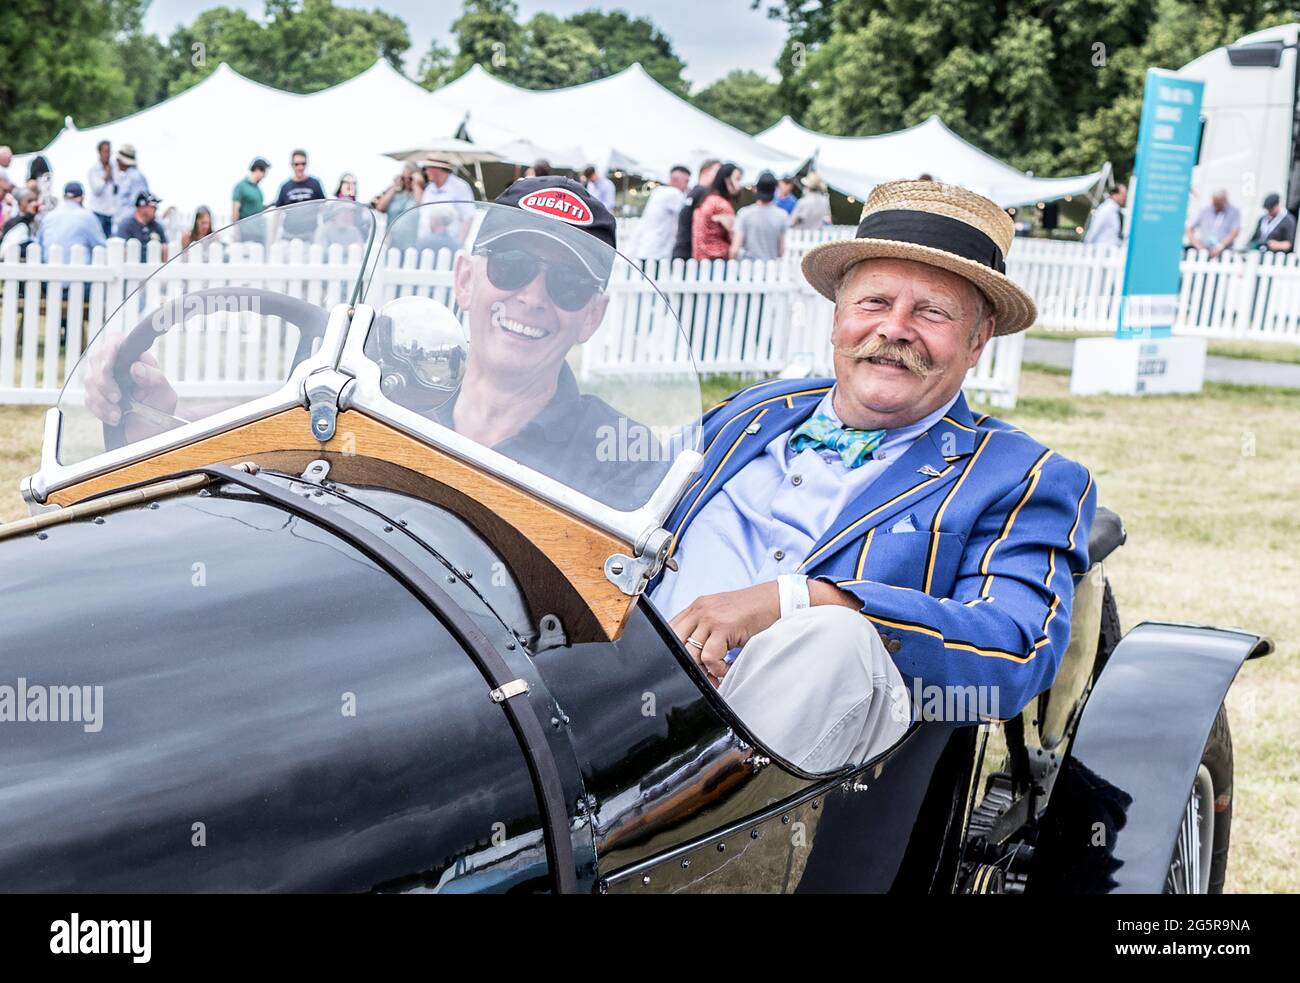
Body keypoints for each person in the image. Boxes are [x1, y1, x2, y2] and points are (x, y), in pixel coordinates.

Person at [650, 180, 1095, 773]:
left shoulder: (1019, 477)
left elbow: (1015, 648)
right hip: (612, 710)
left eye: (932, 312)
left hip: (791, 791)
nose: (895, 329)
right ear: (838, 318)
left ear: (977, 340)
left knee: (836, 638)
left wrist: (802, 601)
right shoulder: (751, 413)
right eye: (874, 303)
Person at [36, 182, 106, 260]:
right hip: (80, 270)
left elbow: (39, 246)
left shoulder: (48, 217)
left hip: (48, 269)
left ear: (64, 197)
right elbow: (101, 246)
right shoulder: (88, 217)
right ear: (82, 198)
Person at [633, 165, 690, 260]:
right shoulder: (674, 194)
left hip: (646, 247)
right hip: (658, 251)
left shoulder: (659, 191)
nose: (687, 185)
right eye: (686, 181)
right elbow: (686, 215)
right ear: (675, 179)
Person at [731, 170, 789, 261]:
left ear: (756, 189)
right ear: (775, 190)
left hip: (747, 268)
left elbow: (735, 249)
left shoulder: (744, 213)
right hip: (770, 268)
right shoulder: (782, 215)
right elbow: (781, 251)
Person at [692, 162, 742, 261]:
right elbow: (734, 235)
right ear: (726, 180)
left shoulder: (708, 199)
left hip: (700, 259)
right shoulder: (721, 205)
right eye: (737, 179)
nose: (739, 185)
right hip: (716, 260)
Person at [672, 159, 719, 262]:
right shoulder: (703, 194)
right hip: (691, 253)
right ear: (706, 171)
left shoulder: (693, 192)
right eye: (717, 172)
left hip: (681, 250)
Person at [274, 149, 327, 240]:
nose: (300, 167)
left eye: (303, 164)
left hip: (310, 235)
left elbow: (323, 208)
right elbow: (277, 213)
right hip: (288, 235)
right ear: (292, 165)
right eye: (297, 164)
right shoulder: (285, 186)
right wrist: (272, 239)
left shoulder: (315, 183)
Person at [371, 163, 422, 252]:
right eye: (403, 177)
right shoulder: (396, 193)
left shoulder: (418, 193)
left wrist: (416, 184)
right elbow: (380, 207)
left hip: (410, 243)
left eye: (409, 178)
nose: (406, 181)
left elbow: (421, 206)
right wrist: (395, 186)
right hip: (391, 240)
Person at [1188, 188, 1241, 258]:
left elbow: (1234, 231)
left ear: (1225, 200)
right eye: (1214, 203)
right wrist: (1197, 244)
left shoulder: (1234, 212)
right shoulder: (1205, 211)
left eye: (1218, 203)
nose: (1216, 205)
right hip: (1203, 249)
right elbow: (1190, 229)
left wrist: (1220, 246)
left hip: (1224, 251)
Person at [110, 144, 149, 234]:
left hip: (129, 227)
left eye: (118, 159)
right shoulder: (126, 176)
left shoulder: (136, 177)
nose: (116, 162)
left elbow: (140, 204)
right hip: (122, 224)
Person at [114, 192, 168, 258]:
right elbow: (121, 252)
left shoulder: (158, 227)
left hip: (155, 266)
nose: (156, 208)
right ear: (142, 206)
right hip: (131, 267)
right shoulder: (126, 225)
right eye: (153, 205)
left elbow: (166, 249)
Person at [231, 157, 270, 242]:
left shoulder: (258, 190)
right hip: (245, 234)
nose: (265, 176)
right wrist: (236, 232)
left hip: (259, 233)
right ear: (257, 169)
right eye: (264, 172)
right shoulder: (241, 186)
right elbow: (235, 211)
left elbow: (257, 208)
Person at [86, 140, 117, 236]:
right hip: (98, 211)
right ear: (99, 152)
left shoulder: (115, 168)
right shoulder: (93, 170)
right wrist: (106, 177)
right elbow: (96, 190)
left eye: (109, 151)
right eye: (105, 151)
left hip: (112, 212)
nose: (108, 154)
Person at [1083, 183, 1127, 247]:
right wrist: (1086, 246)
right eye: (1123, 194)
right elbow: (1095, 228)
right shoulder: (1106, 209)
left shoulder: (1115, 210)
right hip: (1101, 250)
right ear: (1115, 194)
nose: (1125, 197)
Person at [0, 189, 42, 255]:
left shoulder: (38, 221)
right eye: (29, 201)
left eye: (35, 200)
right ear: (20, 204)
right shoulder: (16, 223)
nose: (34, 204)